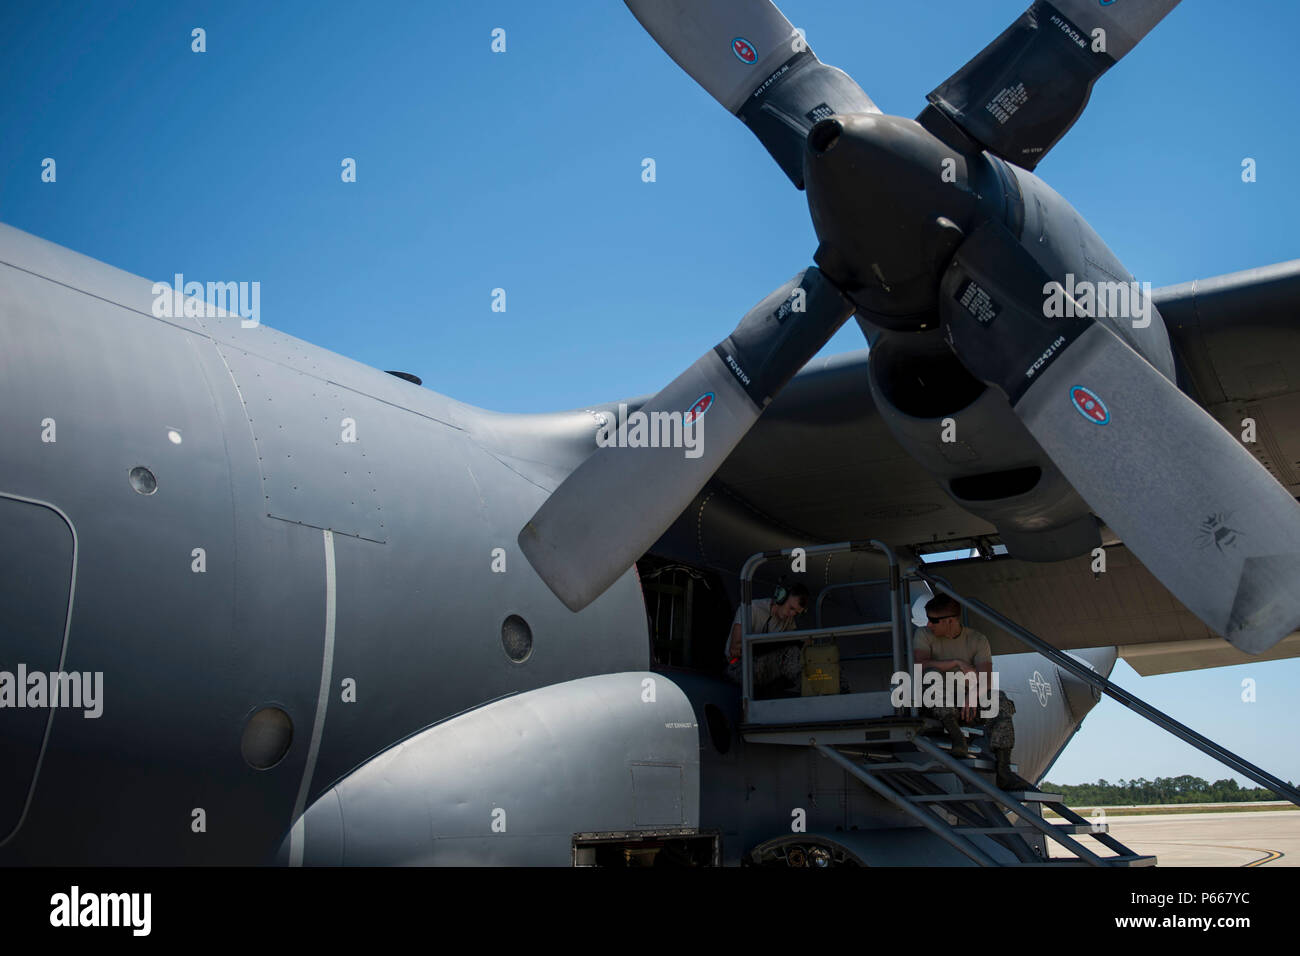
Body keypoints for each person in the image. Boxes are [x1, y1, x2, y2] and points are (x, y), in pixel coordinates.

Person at [914, 594, 1031, 791]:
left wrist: (973, 696)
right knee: (931, 676)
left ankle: (1004, 770)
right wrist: (956, 663)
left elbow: (986, 678)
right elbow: (920, 665)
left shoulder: (977, 640)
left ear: (950, 621)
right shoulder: (924, 635)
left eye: (934, 620)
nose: (929, 624)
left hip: (966, 702)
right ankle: (957, 739)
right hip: (935, 703)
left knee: (999, 700)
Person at [723, 584, 810, 695]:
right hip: (740, 667)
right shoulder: (752, 609)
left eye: (796, 613)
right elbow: (734, 650)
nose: (791, 614)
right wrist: (772, 646)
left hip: (766, 670)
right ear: (781, 598)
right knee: (790, 652)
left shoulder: (788, 620)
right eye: (791, 608)